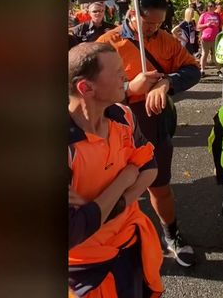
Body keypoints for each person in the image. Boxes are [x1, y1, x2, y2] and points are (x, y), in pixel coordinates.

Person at [96, 0, 202, 267]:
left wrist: (166, 82)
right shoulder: (106, 44)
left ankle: (171, 234)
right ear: (132, 13)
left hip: (154, 122)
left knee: (160, 185)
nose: (154, 29)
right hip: (115, 126)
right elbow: (89, 91)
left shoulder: (165, 40)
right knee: (113, 190)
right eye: (149, 23)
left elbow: (192, 70)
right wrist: (129, 88)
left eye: (159, 23)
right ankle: (114, 241)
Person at [67, 43, 163, 298]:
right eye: (118, 72)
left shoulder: (123, 115)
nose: (127, 76)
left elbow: (149, 167)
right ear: (85, 88)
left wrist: (113, 204)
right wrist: (125, 178)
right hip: (85, 271)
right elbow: (74, 232)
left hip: (130, 246)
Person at [198, 2, 222, 72]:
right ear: (207, 7)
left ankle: (219, 70)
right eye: (209, 6)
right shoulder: (204, 15)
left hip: (215, 38)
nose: (210, 7)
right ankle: (202, 70)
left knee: (216, 55)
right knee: (204, 54)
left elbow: (221, 25)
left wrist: (217, 25)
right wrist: (206, 25)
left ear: (215, 7)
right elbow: (198, 26)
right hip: (205, 38)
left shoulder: (217, 15)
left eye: (212, 6)